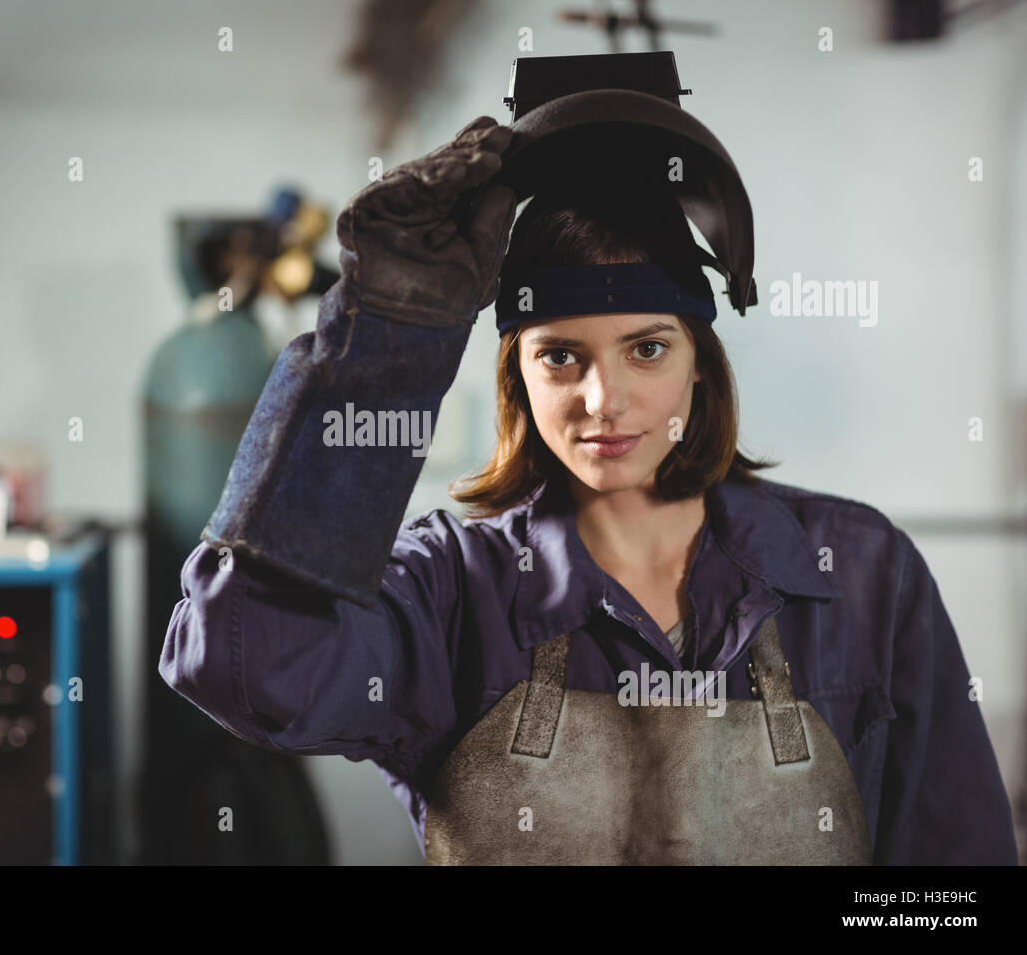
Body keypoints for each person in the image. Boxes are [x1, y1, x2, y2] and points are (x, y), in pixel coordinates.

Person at [160, 116, 1018, 865]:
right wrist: (384, 342)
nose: (603, 400)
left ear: (699, 365)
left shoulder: (861, 574)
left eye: (647, 349)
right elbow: (247, 668)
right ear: (518, 377)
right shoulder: (451, 589)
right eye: (561, 356)